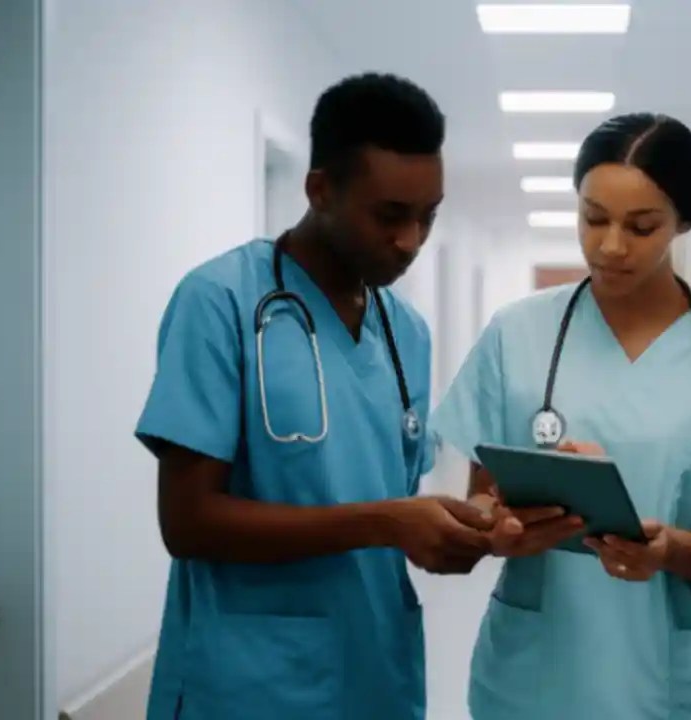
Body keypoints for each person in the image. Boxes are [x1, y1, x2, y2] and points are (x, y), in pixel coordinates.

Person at [134, 73, 494, 720]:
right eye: (390, 216)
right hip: (249, 684)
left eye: (427, 216)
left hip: (376, 675)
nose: (412, 241)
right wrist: (386, 522)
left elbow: (391, 501)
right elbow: (186, 523)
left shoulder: (404, 331)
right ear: (320, 189)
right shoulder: (220, 303)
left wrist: (456, 532)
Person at [431, 113, 691, 720]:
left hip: (676, 683)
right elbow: (481, 500)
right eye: (593, 218)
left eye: (642, 226)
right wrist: (499, 527)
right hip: (537, 677)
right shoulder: (516, 334)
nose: (610, 245)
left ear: (684, 222)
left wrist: (670, 550)